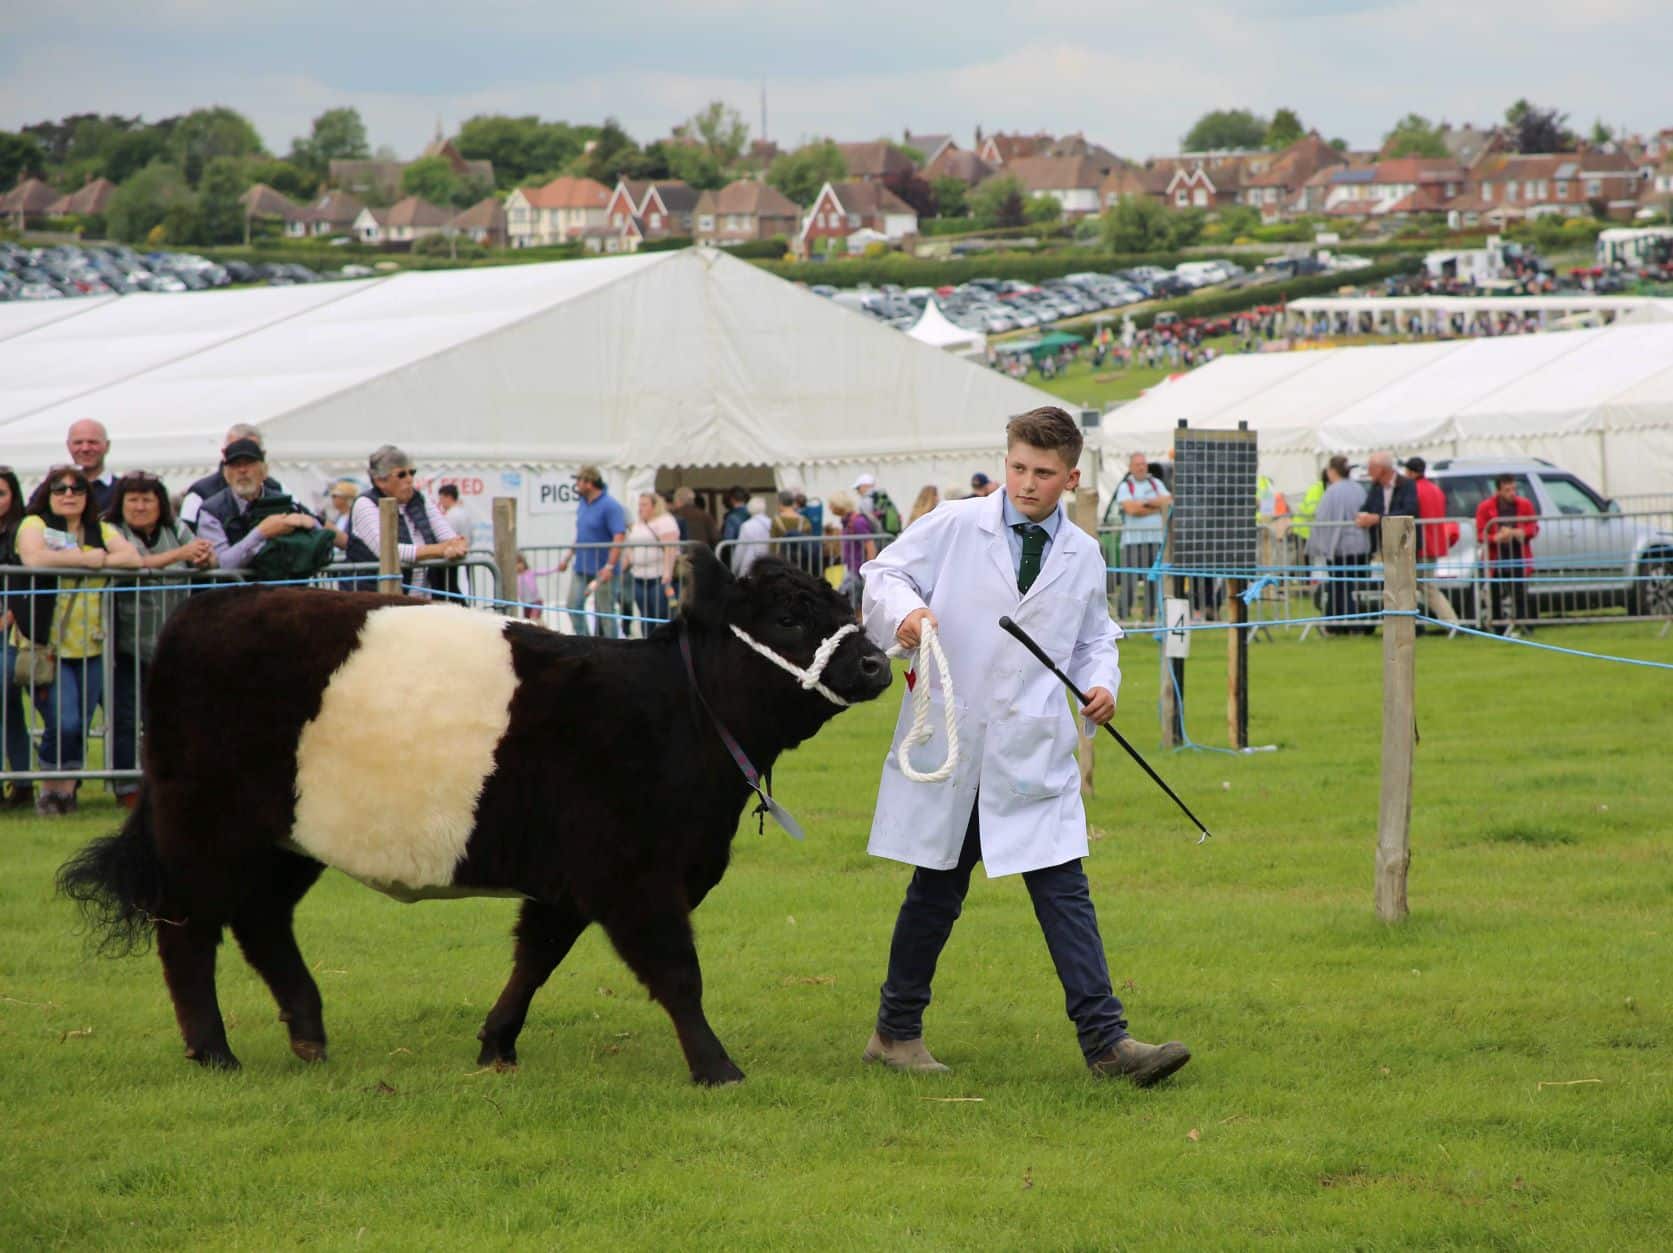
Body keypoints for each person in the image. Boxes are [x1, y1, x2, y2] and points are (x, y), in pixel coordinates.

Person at [858, 405, 1190, 1087]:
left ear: (1070, 477)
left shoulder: (1083, 554)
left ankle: (1106, 1042)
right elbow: (882, 576)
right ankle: (895, 1031)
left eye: (1042, 472)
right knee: (935, 892)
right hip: (956, 743)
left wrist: (1100, 684)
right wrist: (909, 614)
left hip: (1032, 751)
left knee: (1064, 890)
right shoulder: (955, 523)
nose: (1025, 483)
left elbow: (1096, 637)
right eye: (1016, 467)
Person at [15, 466, 141, 815]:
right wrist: (87, 559)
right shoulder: (35, 525)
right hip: (47, 646)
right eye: (60, 489)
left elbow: (131, 557)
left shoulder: (100, 529)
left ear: (88, 496)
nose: (68, 495)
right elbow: (33, 558)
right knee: (63, 720)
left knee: (79, 725)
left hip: (92, 645)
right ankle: (49, 788)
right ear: (48, 494)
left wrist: (94, 556)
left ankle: (64, 794)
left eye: (77, 489)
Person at [105, 473, 215, 808]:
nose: (140, 506)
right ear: (121, 505)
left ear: (160, 503)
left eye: (147, 499)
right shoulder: (111, 531)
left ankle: (169, 782)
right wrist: (180, 554)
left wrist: (204, 558)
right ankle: (126, 786)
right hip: (126, 643)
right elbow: (134, 564)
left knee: (171, 717)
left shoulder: (176, 529)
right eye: (133, 500)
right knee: (126, 716)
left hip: (171, 644)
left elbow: (208, 560)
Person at [198, 439, 342, 574]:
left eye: (249, 463)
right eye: (235, 465)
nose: (242, 470)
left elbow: (323, 545)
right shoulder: (211, 511)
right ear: (226, 474)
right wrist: (261, 533)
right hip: (236, 596)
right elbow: (223, 564)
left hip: (283, 592)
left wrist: (311, 525)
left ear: (264, 471)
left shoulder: (283, 501)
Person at [347, 446, 467, 597]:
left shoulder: (420, 500)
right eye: (401, 474)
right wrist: (440, 549)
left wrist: (457, 546)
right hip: (376, 600)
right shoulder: (364, 504)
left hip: (423, 602)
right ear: (380, 481)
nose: (409, 479)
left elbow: (449, 537)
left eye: (412, 472)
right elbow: (388, 551)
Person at [557, 465, 627, 637]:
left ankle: (612, 651)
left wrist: (610, 566)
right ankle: (585, 643)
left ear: (589, 483)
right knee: (573, 606)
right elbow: (581, 535)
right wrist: (567, 558)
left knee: (605, 613)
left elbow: (619, 536)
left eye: (579, 481)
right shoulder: (582, 504)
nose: (577, 485)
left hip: (604, 570)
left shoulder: (611, 506)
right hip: (581, 567)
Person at [0, 468, 34, 809]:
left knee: (7, 706)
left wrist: (6, 618)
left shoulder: (22, 533)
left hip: (10, 634)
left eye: (1, 493)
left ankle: (22, 782)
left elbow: (24, 585)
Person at [1308, 456, 1372, 636]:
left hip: (1341, 547)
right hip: (1361, 545)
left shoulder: (1332, 492)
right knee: (1350, 587)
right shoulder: (1358, 488)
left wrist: (1319, 546)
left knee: (1339, 586)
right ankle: (1345, 623)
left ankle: (1341, 624)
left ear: (1332, 471)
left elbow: (1324, 520)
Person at [179, 424, 278, 529]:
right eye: (235, 450)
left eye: (249, 459)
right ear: (224, 454)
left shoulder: (280, 492)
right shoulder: (199, 494)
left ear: (263, 456)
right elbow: (186, 539)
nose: (242, 469)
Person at [1475, 474, 1539, 636]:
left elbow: (1534, 528)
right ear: (1498, 490)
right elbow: (1480, 533)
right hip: (1496, 557)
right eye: (1507, 490)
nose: (1512, 493)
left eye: (1513, 489)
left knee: (1520, 592)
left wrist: (1519, 532)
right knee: (1495, 592)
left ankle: (1525, 625)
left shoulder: (1524, 505)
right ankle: (1498, 627)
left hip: (1518, 555)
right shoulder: (1485, 507)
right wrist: (1495, 538)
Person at [1404, 457, 1460, 630]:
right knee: (1423, 585)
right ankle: (1450, 623)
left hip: (1421, 545)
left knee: (1424, 587)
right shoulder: (1436, 490)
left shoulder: (1413, 490)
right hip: (1434, 544)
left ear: (1411, 472)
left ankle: (1452, 623)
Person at [1113, 452, 1170, 622]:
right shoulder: (1125, 487)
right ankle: (1123, 617)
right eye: (1137, 464)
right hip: (1132, 542)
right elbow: (1131, 509)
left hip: (1155, 540)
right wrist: (1155, 506)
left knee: (1152, 580)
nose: (1141, 467)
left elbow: (1168, 501)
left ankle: (1149, 616)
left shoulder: (1156, 483)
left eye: (1143, 464)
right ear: (1131, 467)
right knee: (1128, 581)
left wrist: (1143, 504)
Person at [626, 490, 680, 626]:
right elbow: (630, 547)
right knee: (645, 616)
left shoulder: (665, 521)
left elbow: (670, 548)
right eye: (639, 504)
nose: (640, 508)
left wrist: (667, 572)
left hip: (659, 577)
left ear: (654, 506)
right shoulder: (638, 524)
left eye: (644, 504)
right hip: (638, 576)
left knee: (661, 615)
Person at [1355, 450, 1419, 554]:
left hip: (1402, 547)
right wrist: (1362, 516)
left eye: (1370, 468)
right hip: (1379, 547)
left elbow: (1409, 511)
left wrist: (1378, 519)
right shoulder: (1376, 487)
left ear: (1381, 469)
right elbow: (1366, 507)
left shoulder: (1407, 485)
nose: (1368, 472)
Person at [828, 490, 875, 613]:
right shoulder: (847, 522)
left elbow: (870, 545)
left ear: (840, 505)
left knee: (848, 603)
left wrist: (870, 571)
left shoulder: (857, 521)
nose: (830, 508)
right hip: (852, 569)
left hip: (858, 570)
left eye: (832, 505)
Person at [65, 419, 117, 514]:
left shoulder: (123, 492)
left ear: (107, 446)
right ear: (68, 446)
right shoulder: (54, 490)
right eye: (78, 442)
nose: (85, 448)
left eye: (92, 442)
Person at [770, 489, 816, 573]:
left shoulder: (776, 520)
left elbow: (772, 544)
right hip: (801, 561)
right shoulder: (804, 520)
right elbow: (809, 540)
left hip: (782, 561)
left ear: (780, 503)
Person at [437, 484, 476, 549]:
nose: (440, 502)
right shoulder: (464, 513)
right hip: (467, 552)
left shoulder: (450, 516)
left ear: (449, 497)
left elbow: (446, 538)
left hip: (454, 553)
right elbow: (471, 537)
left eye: (441, 498)